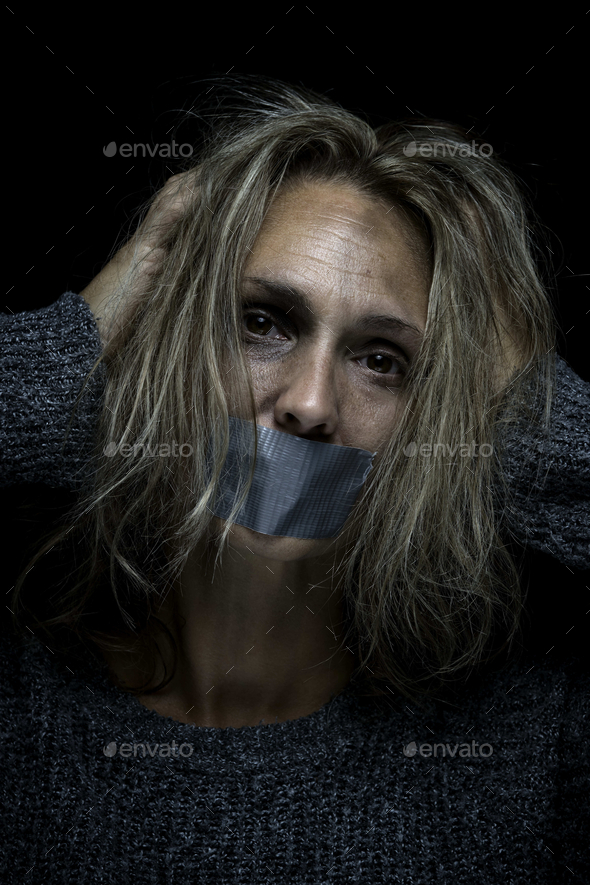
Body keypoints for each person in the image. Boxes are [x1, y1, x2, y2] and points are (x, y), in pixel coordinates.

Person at [1, 73, 588, 883]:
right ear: (170, 334)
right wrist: (74, 343)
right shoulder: (22, 696)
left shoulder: (534, 735)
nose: (310, 404)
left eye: (381, 360)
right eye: (262, 321)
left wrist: (535, 410)